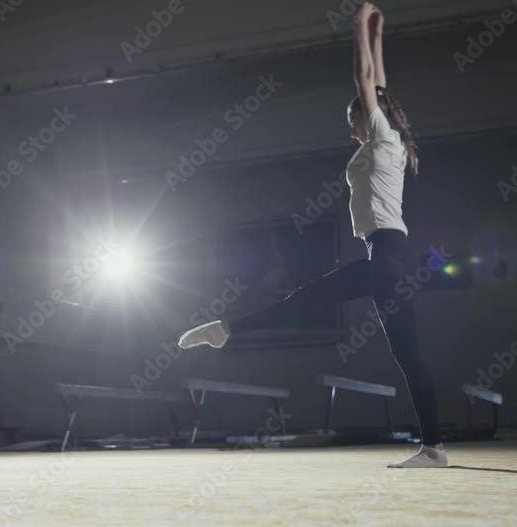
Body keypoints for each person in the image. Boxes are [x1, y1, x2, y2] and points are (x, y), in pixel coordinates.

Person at [177, 1, 445, 468]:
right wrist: (378, 31)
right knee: (408, 355)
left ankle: (225, 330)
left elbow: (366, 80)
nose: (351, 127)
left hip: (387, 254)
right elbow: (379, 84)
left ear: (367, 117)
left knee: (304, 300)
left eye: (353, 120)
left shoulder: (383, 137)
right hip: (394, 255)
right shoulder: (389, 143)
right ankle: (434, 449)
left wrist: (357, 24)